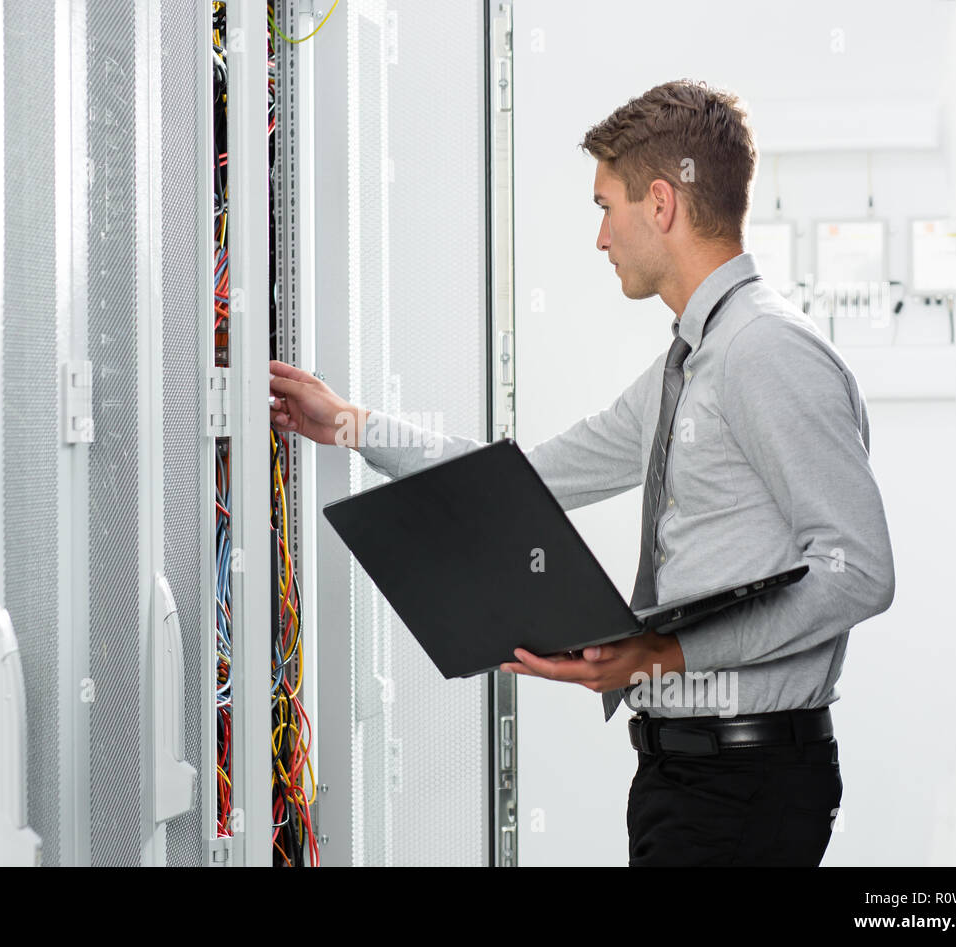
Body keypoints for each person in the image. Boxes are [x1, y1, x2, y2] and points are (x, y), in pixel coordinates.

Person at [268, 78, 895, 866]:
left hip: (747, 783)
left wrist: (661, 656)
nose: (600, 238)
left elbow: (859, 572)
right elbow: (520, 480)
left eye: (607, 207)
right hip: (686, 772)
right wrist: (352, 426)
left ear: (661, 204)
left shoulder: (767, 353)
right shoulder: (693, 364)